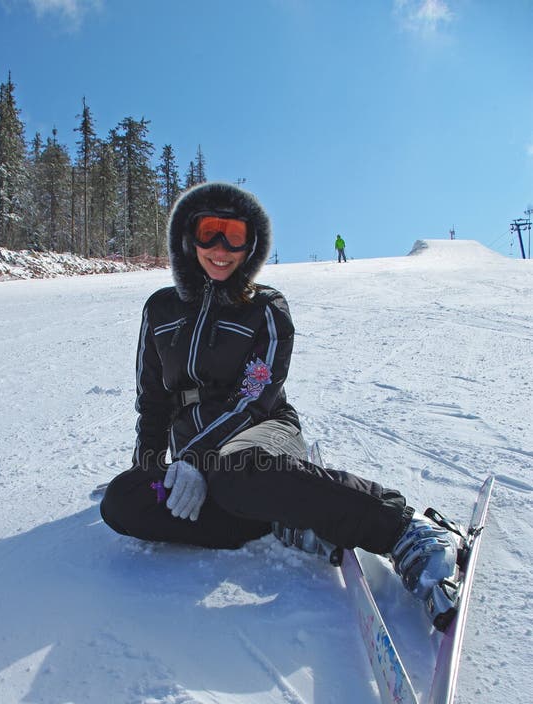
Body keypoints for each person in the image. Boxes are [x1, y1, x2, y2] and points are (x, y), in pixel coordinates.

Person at [100, 182, 458, 628]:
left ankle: (402, 529)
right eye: (210, 231)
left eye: (235, 236)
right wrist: (151, 468)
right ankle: (278, 515)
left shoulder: (265, 308)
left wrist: (195, 456)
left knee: (235, 470)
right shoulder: (159, 309)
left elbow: (255, 397)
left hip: (260, 433)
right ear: (187, 238)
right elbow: (153, 400)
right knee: (122, 501)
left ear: (251, 245)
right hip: (199, 462)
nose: (221, 248)